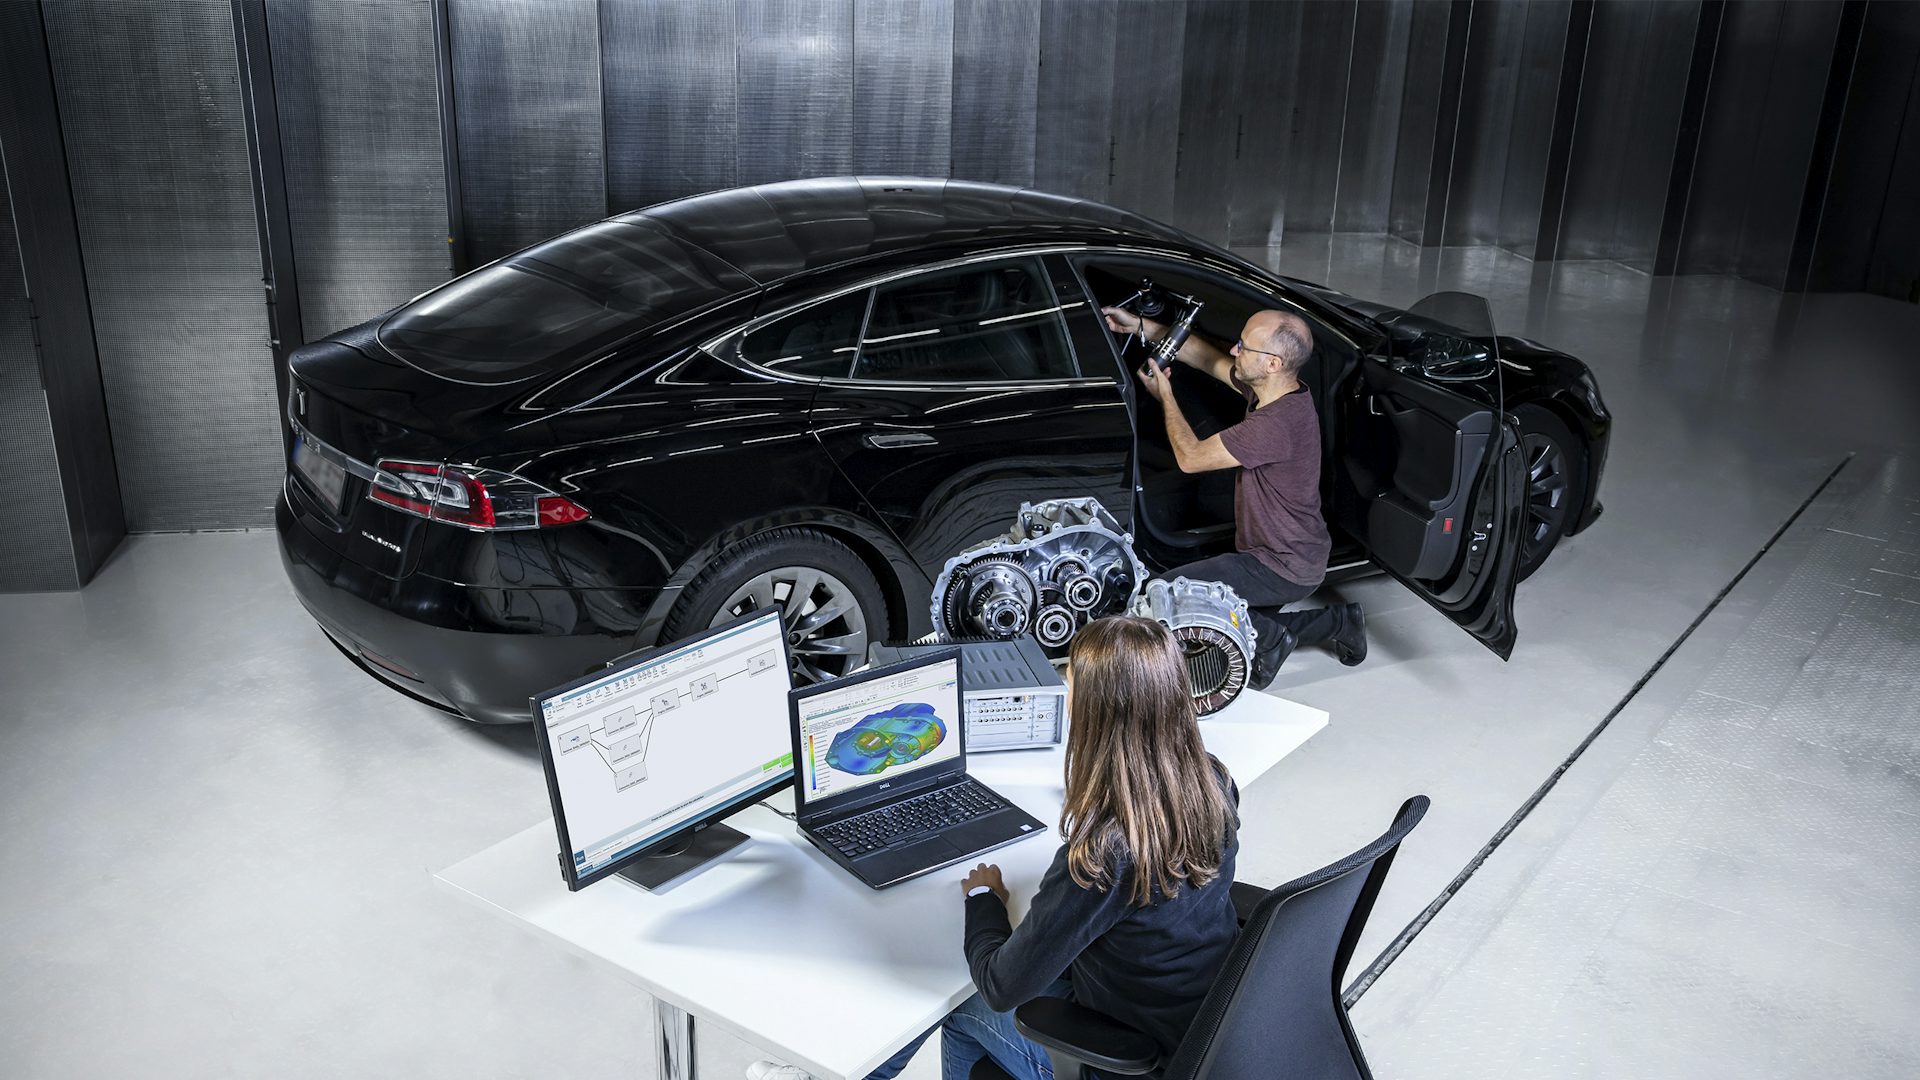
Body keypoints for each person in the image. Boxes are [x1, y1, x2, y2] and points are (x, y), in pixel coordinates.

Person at [749, 615, 1242, 1080]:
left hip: (1128, 1059)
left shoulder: (1104, 852)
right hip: (1202, 1027)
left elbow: (1002, 986)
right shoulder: (1212, 781)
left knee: (956, 1000)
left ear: (1093, 713)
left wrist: (983, 902)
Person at [1102, 304, 1367, 687]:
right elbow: (1207, 358)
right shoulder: (1278, 392)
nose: (1234, 351)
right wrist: (1142, 326)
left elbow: (1191, 459)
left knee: (1170, 593)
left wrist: (1166, 396)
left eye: (1244, 347)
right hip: (1289, 554)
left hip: (1281, 566)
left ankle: (1273, 640)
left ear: (1274, 363)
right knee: (1217, 613)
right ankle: (1340, 622)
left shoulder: (1273, 425)